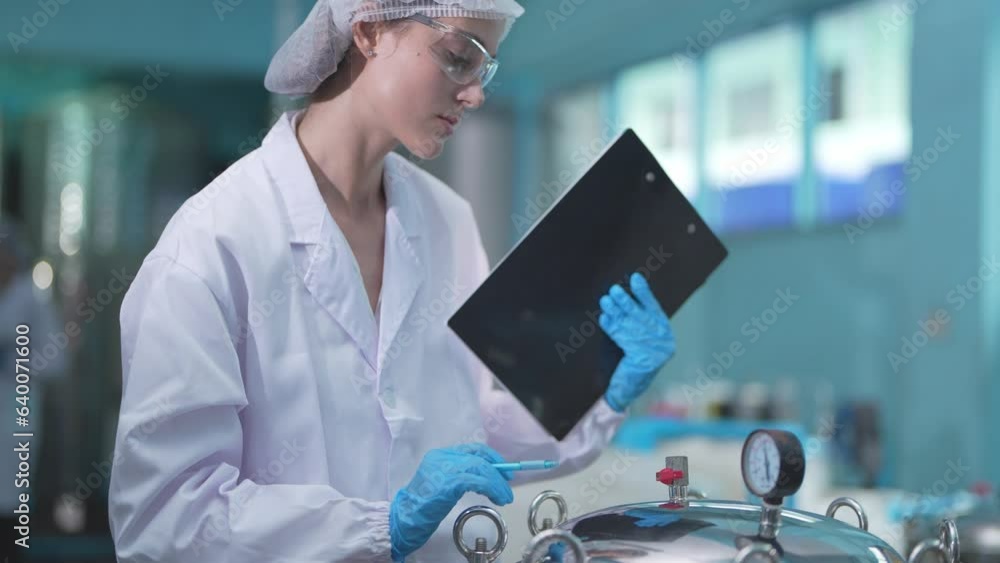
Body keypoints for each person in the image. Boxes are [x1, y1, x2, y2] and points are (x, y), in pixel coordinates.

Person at [108, 1, 677, 561]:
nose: (476, 93)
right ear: (370, 30)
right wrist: (384, 526)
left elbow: (473, 426)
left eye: (487, 70)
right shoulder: (213, 244)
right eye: (459, 57)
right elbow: (167, 520)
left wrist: (600, 387)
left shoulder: (446, 221)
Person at [0, 220, 66, 563]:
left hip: (16, 410)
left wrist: (17, 360)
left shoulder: (31, 299)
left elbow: (57, 360)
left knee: (11, 496)